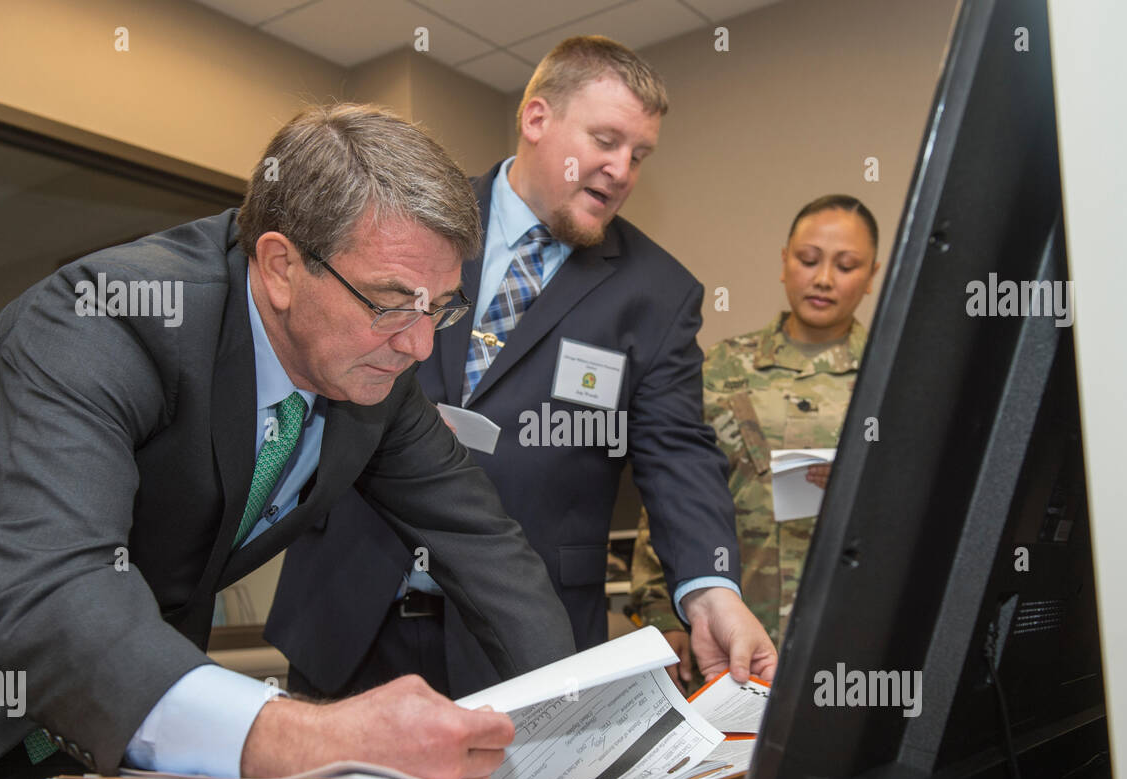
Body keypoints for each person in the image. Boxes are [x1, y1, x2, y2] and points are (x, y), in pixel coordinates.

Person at [0, 104, 579, 779]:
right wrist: (311, 740)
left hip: (100, 735)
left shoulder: (373, 373)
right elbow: (52, 598)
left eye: (441, 308)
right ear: (279, 266)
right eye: (393, 304)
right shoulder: (105, 321)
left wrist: (588, 732)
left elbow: (484, 545)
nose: (421, 346)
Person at [266, 36, 777, 701]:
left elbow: (677, 450)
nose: (622, 169)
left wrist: (711, 591)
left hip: (522, 648)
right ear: (537, 119)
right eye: (605, 140)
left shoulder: (657, 293)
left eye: (639, 154)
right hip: (348, 612)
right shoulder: (411, 221)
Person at [628, 195, 880, 689]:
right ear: (784, 260)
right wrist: (661, 611)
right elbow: (669, 491)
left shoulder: (896, 378)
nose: (824, 278)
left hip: (858, 647)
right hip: (733, 641)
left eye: (846, 265)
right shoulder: (720, 368)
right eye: (808, 260)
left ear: (872, 275)